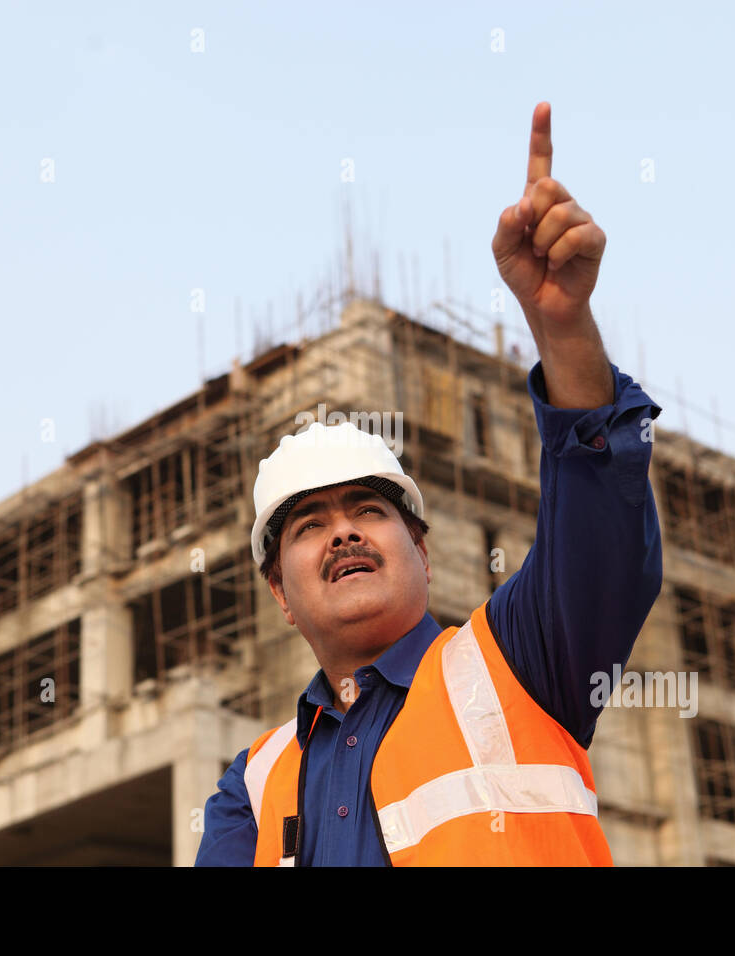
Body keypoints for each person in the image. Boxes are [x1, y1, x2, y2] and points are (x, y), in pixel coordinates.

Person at [195, 101, 662, 866]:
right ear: (279, 592)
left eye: (368, 510)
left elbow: (603, 534)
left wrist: (564, 329)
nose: (343, 530)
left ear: (422, 551)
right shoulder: (250, 787)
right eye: (308, 525)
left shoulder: (519, 662)